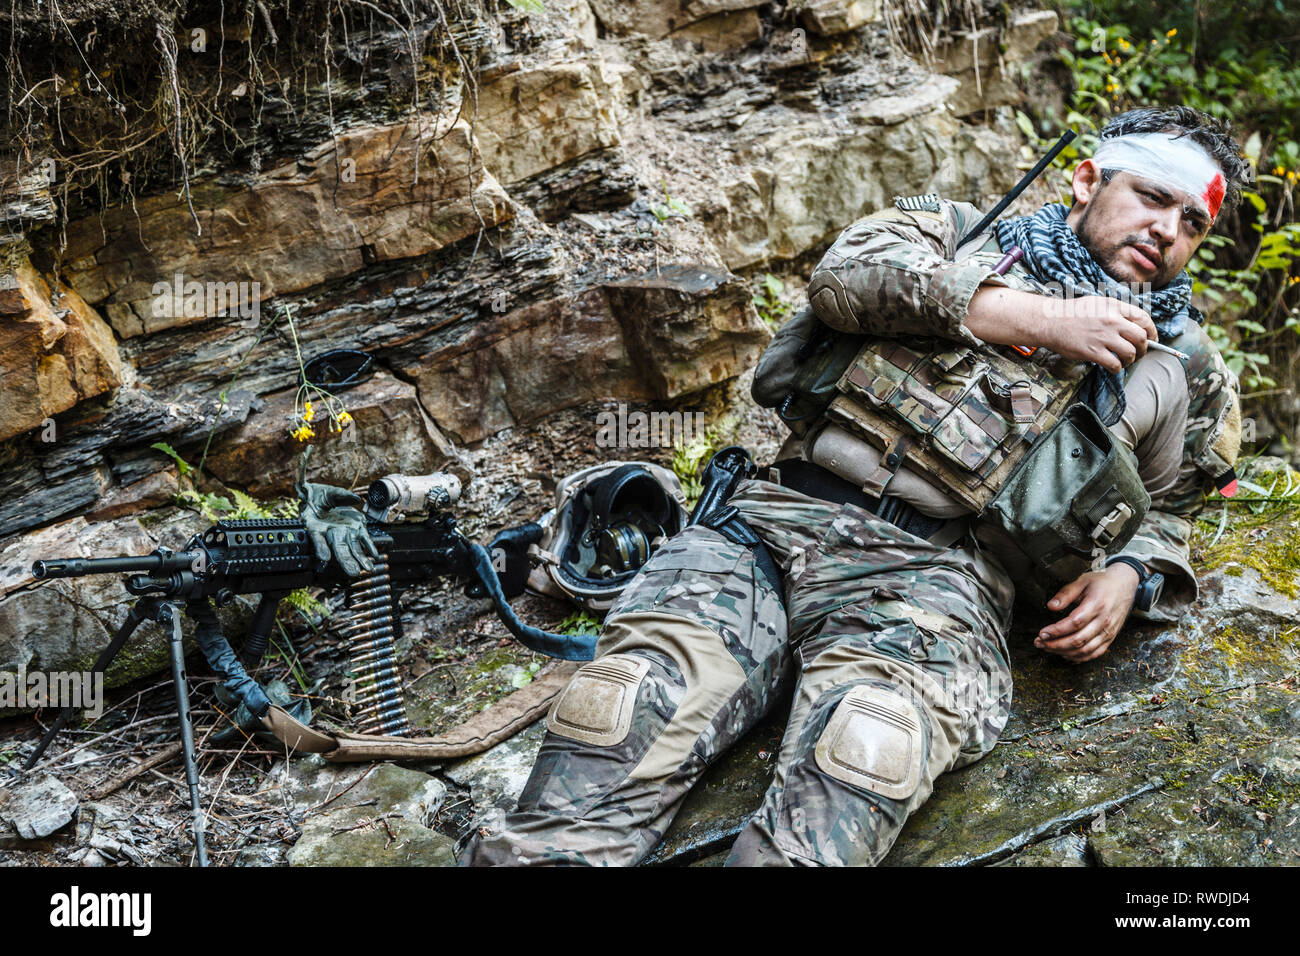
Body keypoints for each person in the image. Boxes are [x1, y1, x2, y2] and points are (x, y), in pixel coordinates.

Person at [338, 106, 1232, 866]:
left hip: (939, 585)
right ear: (1086, 182)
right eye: (1151, 197)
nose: (1166, 230)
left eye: (1192, 222)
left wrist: (1131, 574)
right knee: (616, 719)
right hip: (768, 531)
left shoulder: (1180, 367)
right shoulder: (958, 231)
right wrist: (1038, 317)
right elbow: (844, 280)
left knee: (862, 756)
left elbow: (1183, 500)